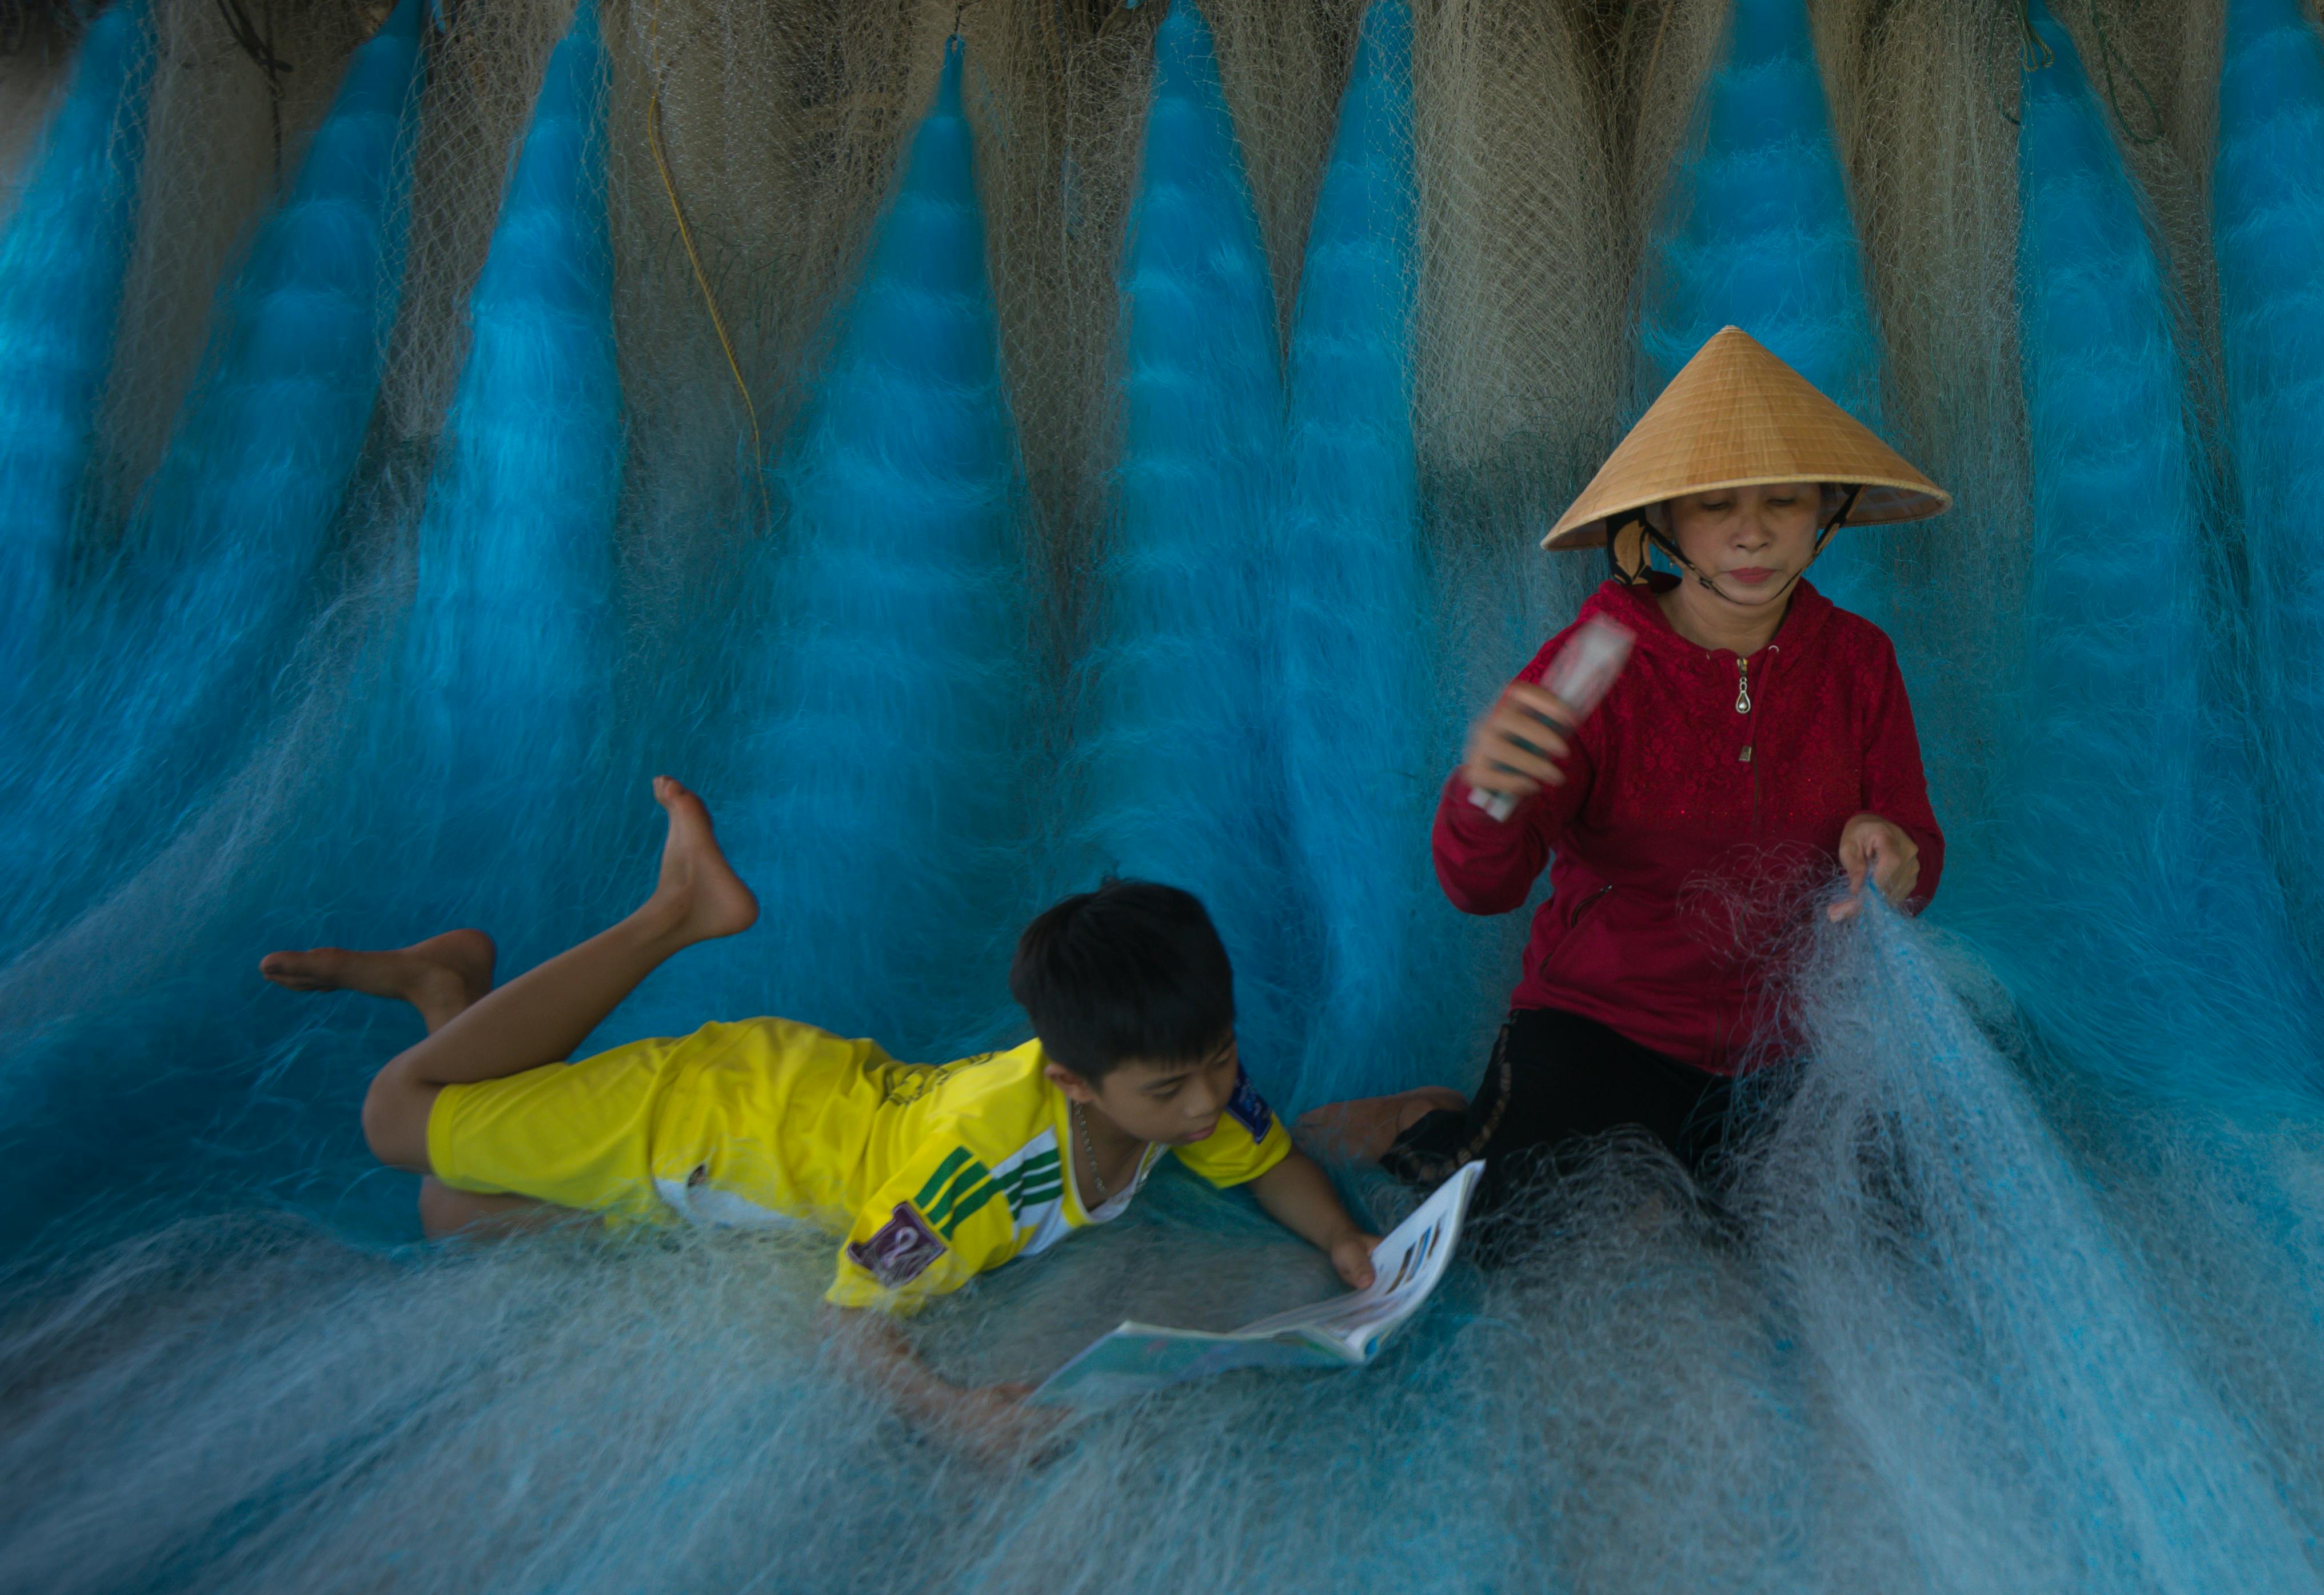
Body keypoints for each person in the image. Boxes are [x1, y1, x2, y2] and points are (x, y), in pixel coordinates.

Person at [259, 777, 1378, 1458]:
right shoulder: (971, 1178)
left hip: (774, 1119)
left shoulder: (1193, 1088)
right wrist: (956, 1417)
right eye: (1172, 1091)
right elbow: (850, 1321)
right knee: (394, 1116)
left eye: (1217, 1063)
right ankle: (675, 911)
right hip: (698, 1120)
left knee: (449, 1209)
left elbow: (1265, 1159)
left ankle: (446, 993)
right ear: (1071, 1083)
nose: (1208, 1104)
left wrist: (1341, 1241)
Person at [1300, 325, 1950, 1211]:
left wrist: (1894, 852)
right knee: (1515, 1221)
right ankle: (1420, 1121)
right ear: (1666, 519)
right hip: (1606, 1026)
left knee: (1880, 1210)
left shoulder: (1861, 661)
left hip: (1791, 1041)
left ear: (1827, 512)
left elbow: (1914, 848)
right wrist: (1484, 792)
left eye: (1785, 500)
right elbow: (1481, 888)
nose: (1753, 532)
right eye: (1716, 504)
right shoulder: (1592, 664)